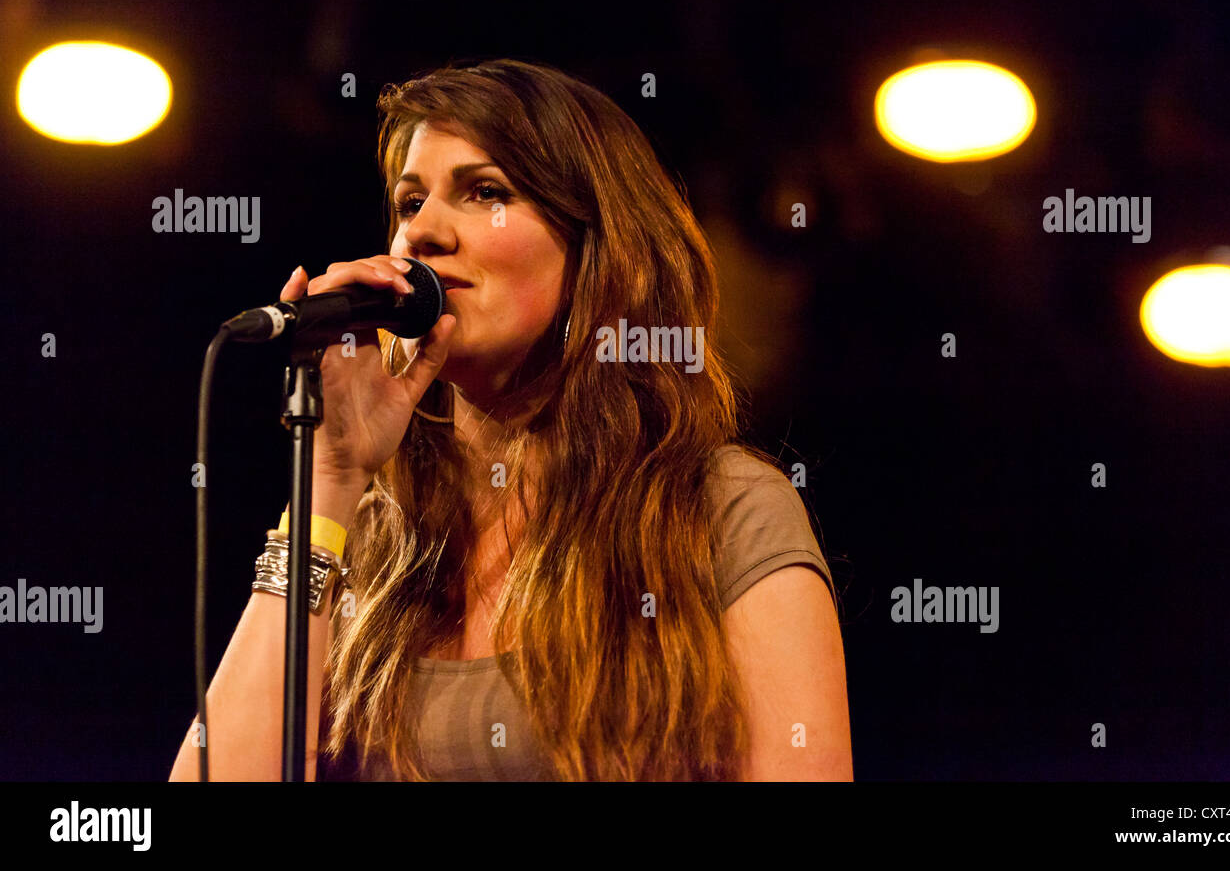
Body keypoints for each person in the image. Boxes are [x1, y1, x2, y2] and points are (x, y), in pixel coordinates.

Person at [169, 58, 851, 781]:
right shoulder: (368, 540)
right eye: (408, 204)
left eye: (485, 192)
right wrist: (330, 480)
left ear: (602, 250)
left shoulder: (717, 510)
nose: (421, 233)